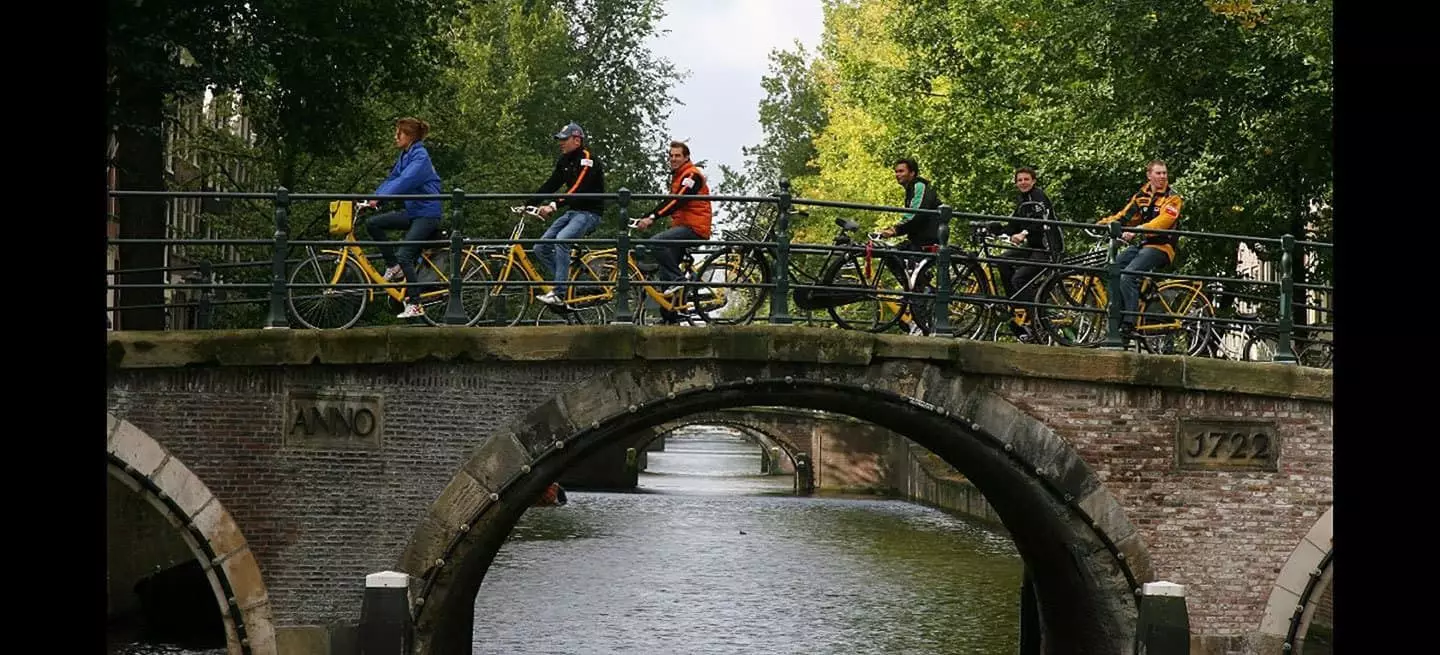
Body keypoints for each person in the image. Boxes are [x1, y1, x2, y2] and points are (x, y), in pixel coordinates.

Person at [363, 117, 443, 319]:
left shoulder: (420, 157)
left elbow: (406, 181)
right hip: (414, 211)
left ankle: (416, 304)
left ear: (410, 136)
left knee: (405, 254)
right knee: (373, 224)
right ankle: (393, 267)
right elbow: (393, 179)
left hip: (426, 214)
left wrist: (379, 199)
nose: (395, 136)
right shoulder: (405, 156)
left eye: (399, 133)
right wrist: (373, 199)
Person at [1097, 159, 1183, 335]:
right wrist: (1103, 224)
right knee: (1114, 268)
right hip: (1144, 245)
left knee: (1128, 276)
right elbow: (1125, 215)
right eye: (1158, 173)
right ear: (1149, 175)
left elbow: (1164, 221)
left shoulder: (1172, 198)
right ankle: (1118, 316)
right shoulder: (1141, 196)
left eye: (1164, 173)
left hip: (1162, 246)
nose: (1162, 177)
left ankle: (1130, 321)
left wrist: (1138, 230)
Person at [527, 122, 606, 307]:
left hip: (589, 214)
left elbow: (578, 188)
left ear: (577, 140)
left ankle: (560, 292)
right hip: (573, 212)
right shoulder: (564, 161)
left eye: (564, 139)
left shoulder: (588, 159)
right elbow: (551, 184)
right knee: (540, 248)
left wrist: (554, 205)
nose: (561, 143)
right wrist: (529, 203)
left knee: (562, 240)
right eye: (560, 140)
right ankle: (569, 282)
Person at [635, 140, 712, 319]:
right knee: (664, 273)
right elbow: (669, 201)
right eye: (671, 156)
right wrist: (648, 216)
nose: (673, 159)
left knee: (656, 243)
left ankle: (680, 281)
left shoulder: (692, 176)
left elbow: (678, 200)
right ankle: (672, 316)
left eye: (677, 155)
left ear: (686, 157)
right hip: (681, 226)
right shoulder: (678, 176)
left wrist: (653, 217)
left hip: (694, 227)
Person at [997, 166, 1063, 340]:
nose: (1023, 183)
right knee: (1003, 260)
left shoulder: (1038, 197)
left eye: (1026, 179)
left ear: (1033, 181)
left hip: (1047, 248)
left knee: (1019, 278)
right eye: (1019, 180)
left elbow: (1038, 221)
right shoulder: (1022, 200)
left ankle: (1035, 320)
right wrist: (995, 228)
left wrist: (1023, 233)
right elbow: (1014, 224)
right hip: (1032, 248)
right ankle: (1015, 303)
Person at [878, 158, 941, 335]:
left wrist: (895, 229)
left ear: (912, 173)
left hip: (927, 240)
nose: (897, 175)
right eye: (896, 171)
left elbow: (916, 213)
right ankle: (917, 299)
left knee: (915, 280)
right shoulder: (910, 189)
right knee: (891, 256)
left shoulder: (919, 186)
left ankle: (921, 322)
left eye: (901, 171)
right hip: (918, 239)